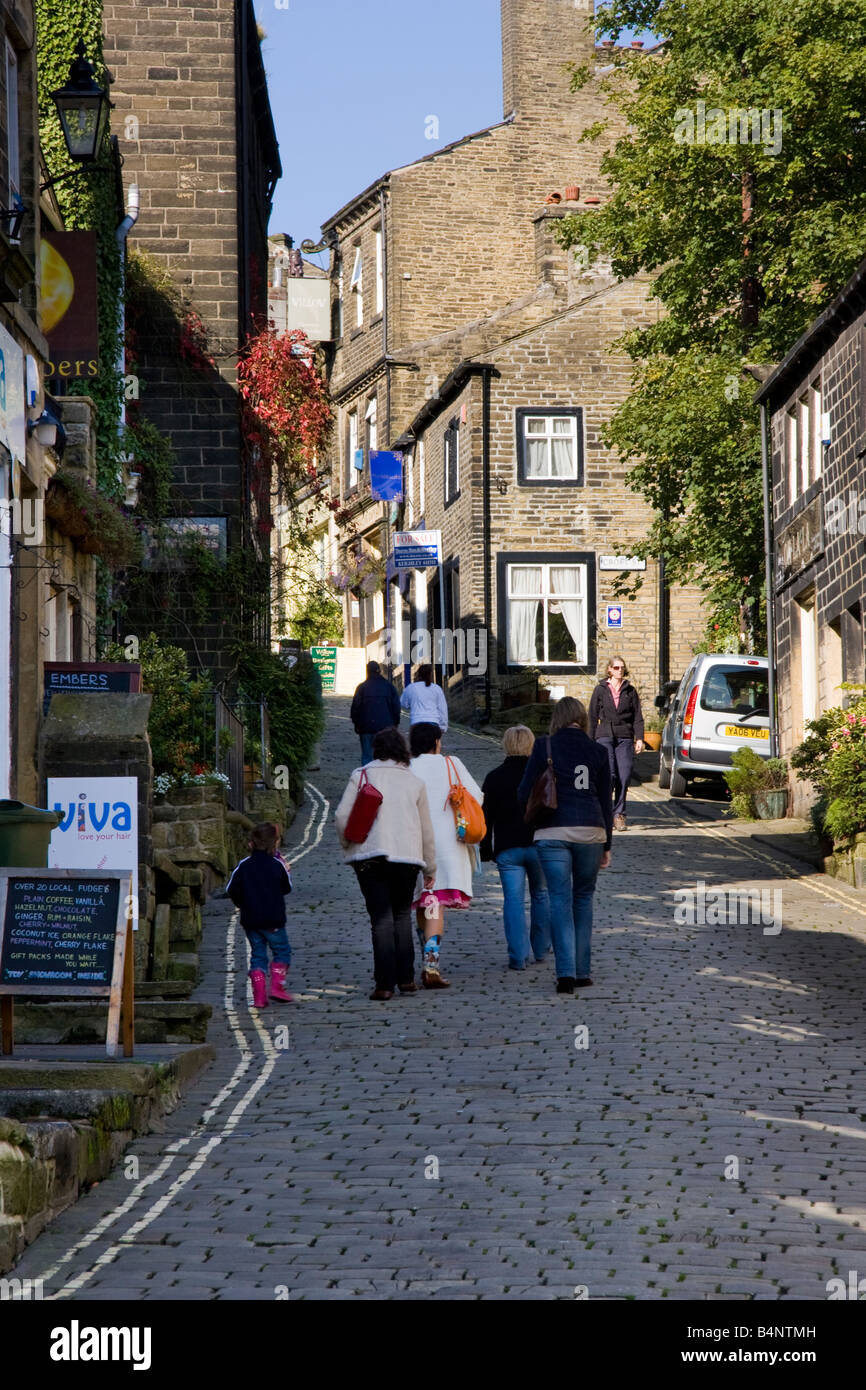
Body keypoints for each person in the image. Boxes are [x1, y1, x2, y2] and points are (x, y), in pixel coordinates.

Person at [518, 697, 612, 994]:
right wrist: (607, 843)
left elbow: (524, 793)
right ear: (582, 719)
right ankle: (583, 972)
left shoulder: (544, 746)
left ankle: (566, 975)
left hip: (553, 832)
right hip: (591, 831)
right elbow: (606, 803)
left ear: (556, 718)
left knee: (559, 900)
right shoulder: (598, 751)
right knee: (583, 899)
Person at [335, 726, 437, 1001]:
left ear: (376, 749)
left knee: (380, 919)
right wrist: (430, 867)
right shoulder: (414, 782)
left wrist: (350, 845)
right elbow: (426, 829)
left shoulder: (362, 775)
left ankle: (384, 985)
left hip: (369, 858)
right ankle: (406, 979)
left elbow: (342, 817)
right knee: (402, 915)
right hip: (407, 859)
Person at [408, 722, 481, 988]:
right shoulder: (452, 764)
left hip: (416, 846)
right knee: (434, 905)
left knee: (422, 903)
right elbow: (477, 797)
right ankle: (431, 967)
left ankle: (426, 962)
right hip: (448, 846)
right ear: (437, 741)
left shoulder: (409, 768)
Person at [480, 725, 551, 970]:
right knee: (541, 895)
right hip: (539, 844)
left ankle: (518, 957)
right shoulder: (542, 775)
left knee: (513, 899)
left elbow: (485, 818)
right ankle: (541, 949)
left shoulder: (493, 777)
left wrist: (485, 849)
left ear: (506, 744)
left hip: (507, 848)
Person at [226, 822, 293, 1008]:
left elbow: (231, 889)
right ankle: (277, 987)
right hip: (274, 920)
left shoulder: (244, 866)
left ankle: (259, 995)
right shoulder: (277, 865)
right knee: (282, 951)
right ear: (275, 844)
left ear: (251, 844)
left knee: (257, 955)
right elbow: (286, 888)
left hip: (251, 920)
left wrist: (242, 903)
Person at [588, 655, 644, 831]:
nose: (620, 670)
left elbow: (638, 717)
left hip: (624, 737)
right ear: (609, 670)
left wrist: (640, 738)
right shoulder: (600, 690)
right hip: (604, 735)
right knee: (609, 775)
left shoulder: (630, 691)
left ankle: (619, 814)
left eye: (622, 667)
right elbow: (592, 716)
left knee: (625, 775)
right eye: (617, 668)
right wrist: (589, 742)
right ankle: (604, 812)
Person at [350, 661, 402, 765]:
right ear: (379, 671)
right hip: (386, 727)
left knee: (367, 756)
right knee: (385, 757)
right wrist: (395, 724)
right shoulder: (389, 687)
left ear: (367, 672)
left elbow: (355, 708)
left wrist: (357, 725)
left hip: (366, 728)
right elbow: (396, 707)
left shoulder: (362, 688)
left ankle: (368, 779)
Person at [400, 663, 449, 734]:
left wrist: (412, 704)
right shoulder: (437, 689)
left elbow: (403, 703)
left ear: (418, 675)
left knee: (416, 744)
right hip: (433, 724)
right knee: (434, 745)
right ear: (431, 675)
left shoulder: (411, 688)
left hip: (416, 724)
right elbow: (442, 710)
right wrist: (443, 726)